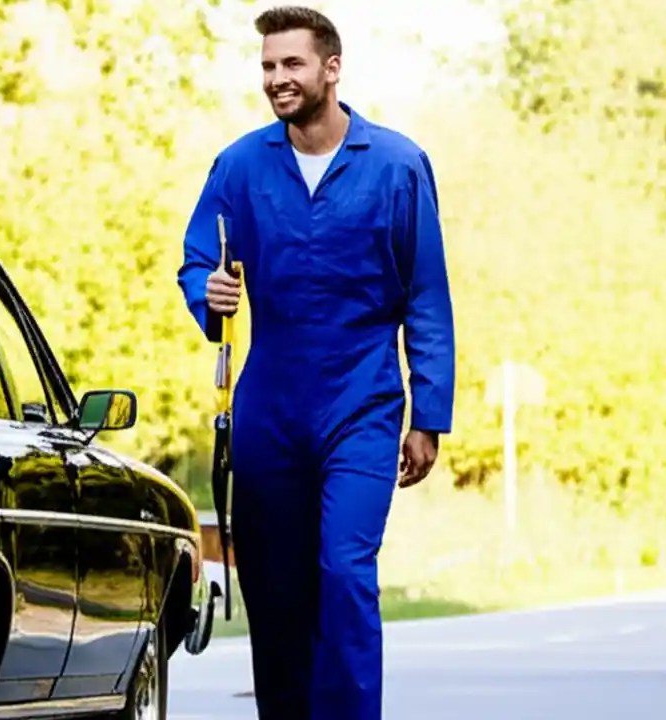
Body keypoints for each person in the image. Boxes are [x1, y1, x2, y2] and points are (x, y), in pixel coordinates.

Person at [175, 5, 456, 720]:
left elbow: (425, 296)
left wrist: (429, 415)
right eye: (268, 66)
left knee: (344, 571)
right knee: (275, 586)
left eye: (291, 64)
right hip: (268, 408)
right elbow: (198, 259)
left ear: (332, 68)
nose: (277, 79)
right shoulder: (240, 166)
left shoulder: (395, 165)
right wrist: (207, 292)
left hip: (361, 407)